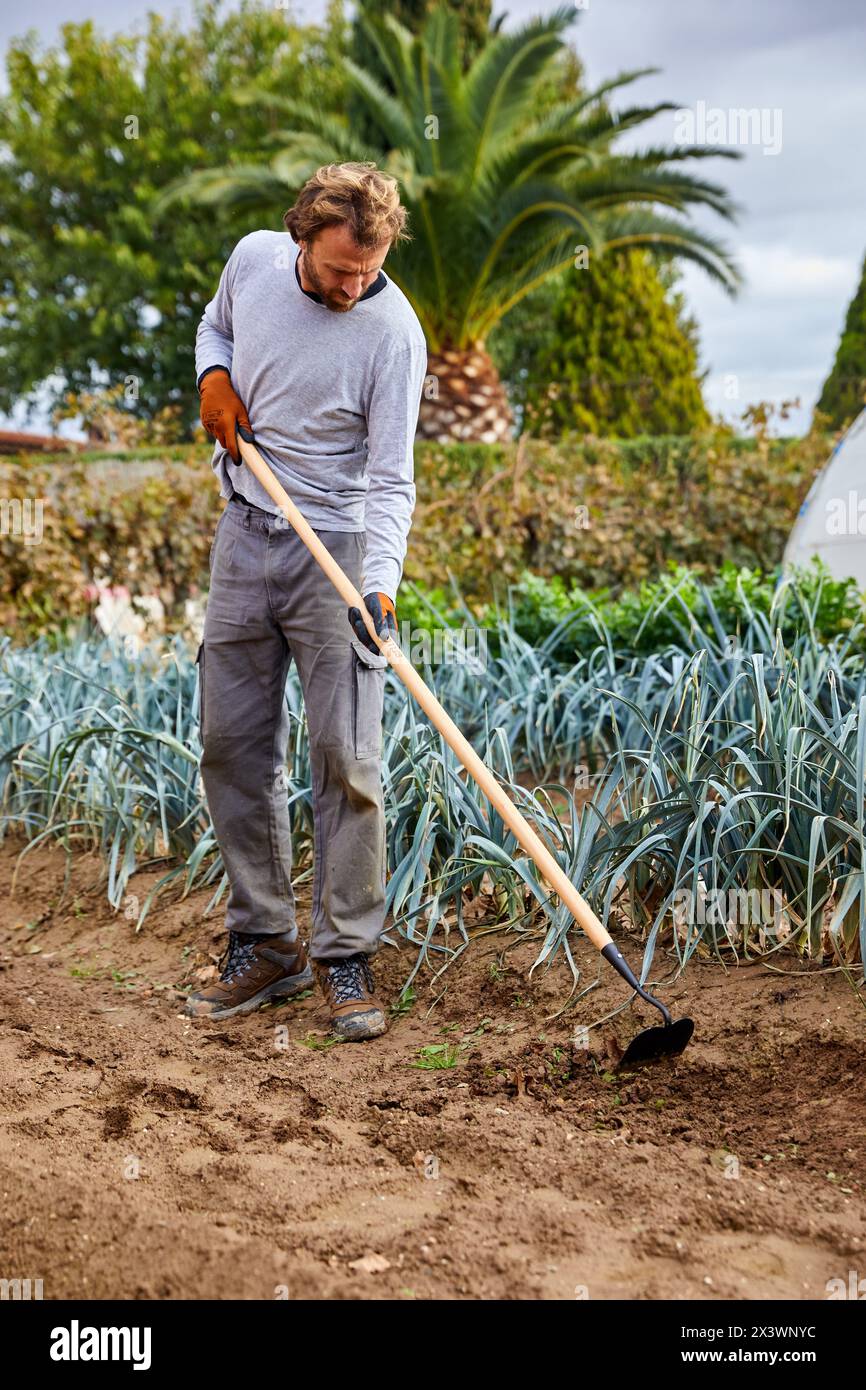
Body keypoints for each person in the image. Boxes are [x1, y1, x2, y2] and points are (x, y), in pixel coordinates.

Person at [184, 162, 427, 1041]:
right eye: (338, 271)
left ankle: (347, 955)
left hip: (341, 553)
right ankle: (265, 943)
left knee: (349, 757)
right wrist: (214, 378)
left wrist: (380, 585)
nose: (354, 285)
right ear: (299, 238)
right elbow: (216, 328)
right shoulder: (251, 262)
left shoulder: (393, 334)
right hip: (247, 532)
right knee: (232, 745)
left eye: (369, 269)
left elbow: (395, 477)